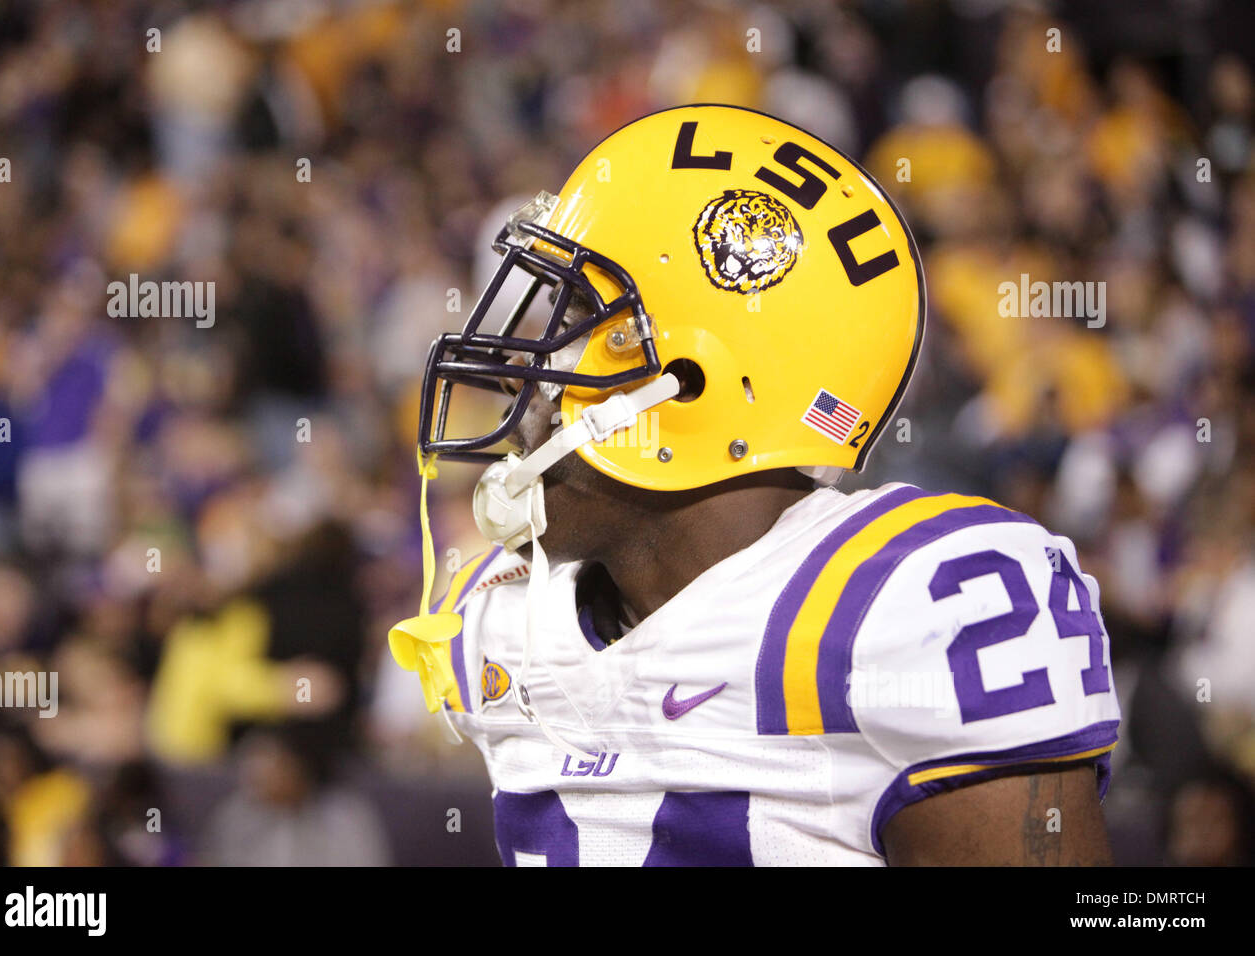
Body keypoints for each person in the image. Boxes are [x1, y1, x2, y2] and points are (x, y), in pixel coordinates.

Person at [389, 104, 1121, 866]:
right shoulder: (503, 620)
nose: (523, 368)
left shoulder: (904, 605)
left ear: (691, 381)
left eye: (575, 316)